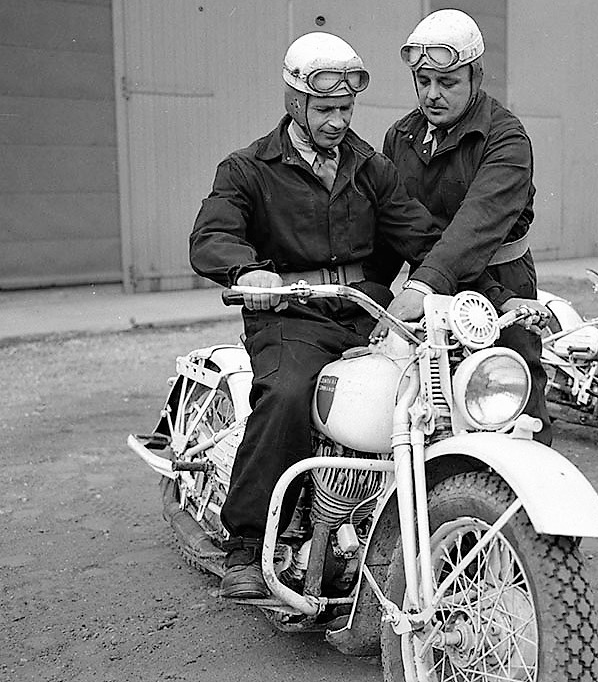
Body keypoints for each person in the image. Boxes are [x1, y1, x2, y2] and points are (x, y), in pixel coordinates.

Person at [189, 32, 458, 599]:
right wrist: (246, 273)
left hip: (365, 313)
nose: (338, 121)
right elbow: (213, 234)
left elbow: (422, 236)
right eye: (326, 109)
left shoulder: (370, 168)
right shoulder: (247, 169)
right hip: (289, 315)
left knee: (430, 396)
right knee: (287, 394)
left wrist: (471, 287)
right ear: (295, 104)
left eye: (346, 108)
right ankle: (246, 542)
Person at [375, 8, 552, 445]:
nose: (432, 94)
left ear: (476, 76)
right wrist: (371, 299)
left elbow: (476, 224)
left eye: (448, 82)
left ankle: (525, 495)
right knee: (422, 398)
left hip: (498, 279)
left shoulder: (506, 139)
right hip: (431, 282)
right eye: (423, 81)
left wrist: (420, 287)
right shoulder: (401, 137)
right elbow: (388, 227)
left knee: (510, 391)